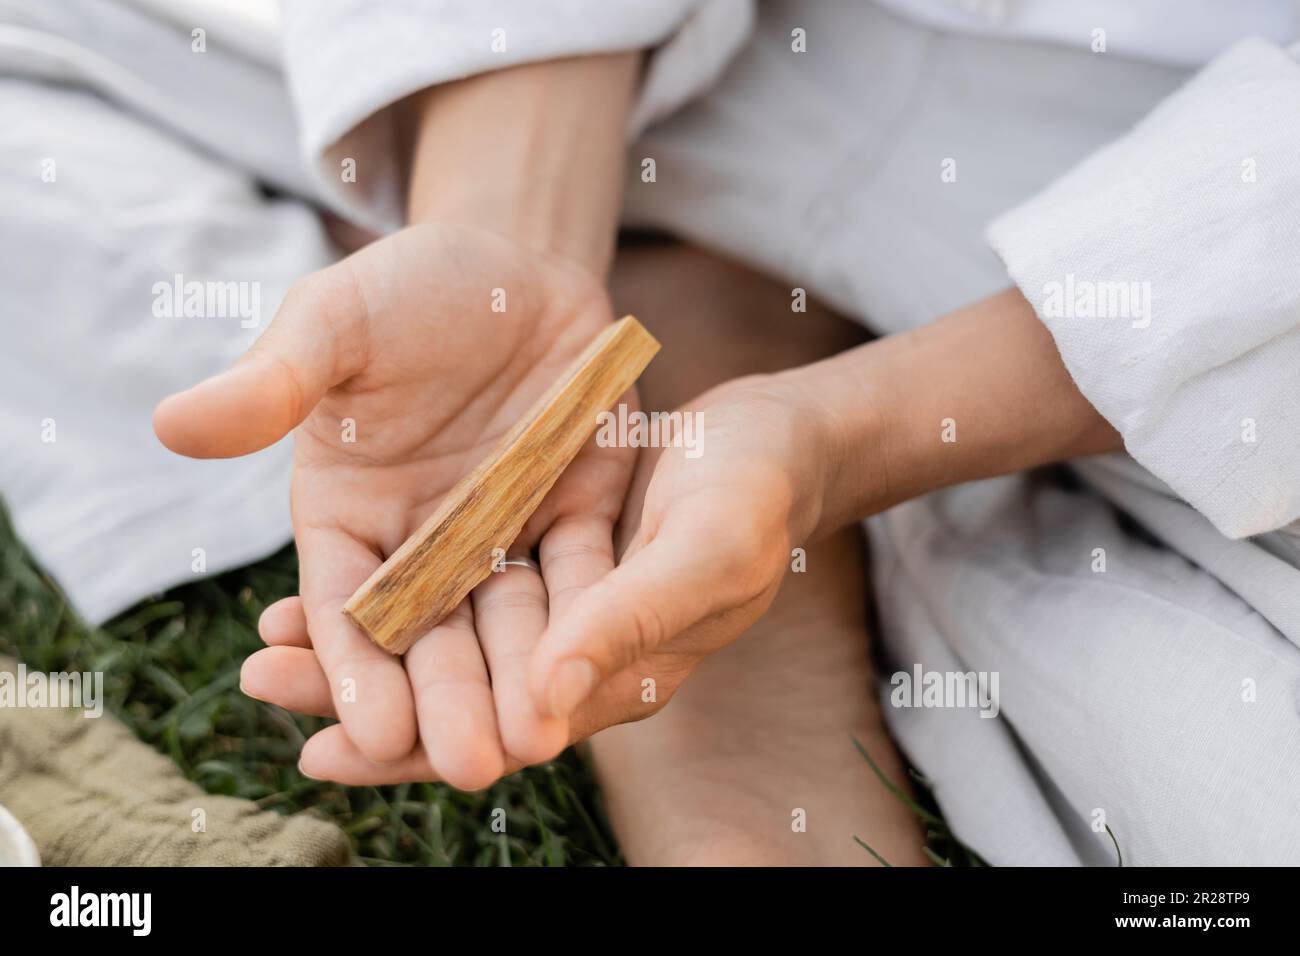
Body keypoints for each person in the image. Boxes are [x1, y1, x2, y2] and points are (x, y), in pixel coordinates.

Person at [6, 0, 1300, 864]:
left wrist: (846, 433)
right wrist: (502, 241)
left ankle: (712, 361)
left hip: (1184, 228)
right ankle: (644, 283)